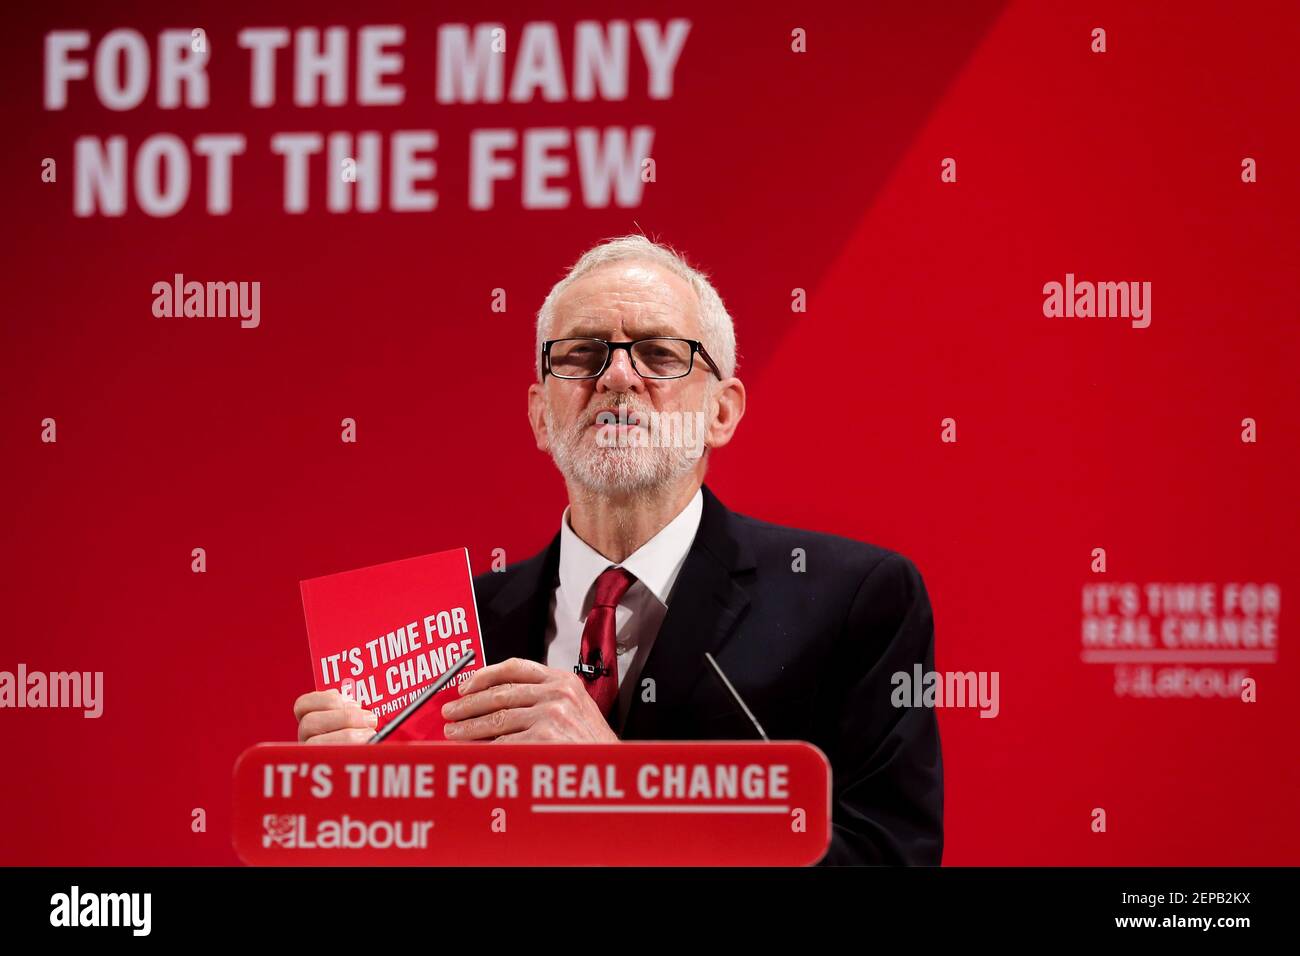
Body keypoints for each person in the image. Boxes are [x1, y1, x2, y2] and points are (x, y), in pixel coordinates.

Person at [293, 234, 943, 865]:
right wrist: (349, 821)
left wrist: (617, 787)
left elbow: (886, 857)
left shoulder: (852, 602)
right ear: (541, 415)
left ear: (722, 412)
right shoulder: (453, 630)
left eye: (659, 353)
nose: (617, 377)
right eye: (582, 355)